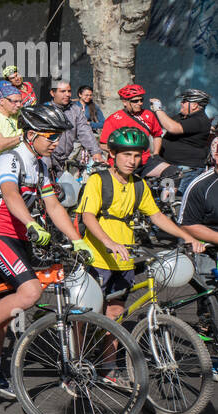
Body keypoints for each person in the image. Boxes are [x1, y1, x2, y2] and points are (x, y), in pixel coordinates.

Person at [0, 104, 83, 391]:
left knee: (6, 309)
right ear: (31, 135)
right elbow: (10, 193)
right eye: (50, 136)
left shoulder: (40, 165)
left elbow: (53, 205)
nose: (55, 142)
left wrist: (77, 239)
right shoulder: (12, 160)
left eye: (57, 137)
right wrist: (32, 223)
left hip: (19, 237)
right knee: (30, 292)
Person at [76, 125, 204, 325]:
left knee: (116, 314)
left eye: (136, 156)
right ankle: (79, 355)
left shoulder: (139, 184)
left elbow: (157, 216)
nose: (132, 161)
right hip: (99, 257)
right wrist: (109, 242)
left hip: (125, 258)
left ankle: (109, 358)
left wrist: (187, 237)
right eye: (126, 154)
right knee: (86, 314)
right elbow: (88, 217)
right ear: (112, 153)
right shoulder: (98, 180)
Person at [100, 83, 171, 178]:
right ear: (124, 102)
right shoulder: (114, 119)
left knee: (173, 173)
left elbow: (157, 135)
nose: (140, 103)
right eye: (135, 101)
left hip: (144, 161)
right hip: (123, 163)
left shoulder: (148, 115)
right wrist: (123, 151)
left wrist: (156, 154)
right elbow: (103, 144)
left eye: (141, 100)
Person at [156, 89, 212, 185]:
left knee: (178, 198)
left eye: (184, 101)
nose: (181, 103)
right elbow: (165, 122)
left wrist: (158, 109)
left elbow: (172, 127)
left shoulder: (200, 120)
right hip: (171, 166)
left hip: (186, 169)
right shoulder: (183, 116)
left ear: (194, 105)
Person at [48, 79, 104, 169]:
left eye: (69, 91)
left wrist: (95, 152)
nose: (67, 94)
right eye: (62, 91)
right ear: (52, 93)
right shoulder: (46, 110)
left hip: (66, 159)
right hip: (48, 159)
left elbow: (84, 130)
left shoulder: (75, 110)